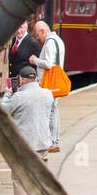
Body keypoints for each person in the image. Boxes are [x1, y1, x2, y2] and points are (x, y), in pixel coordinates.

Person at [1, 64, 55, 195]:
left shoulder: (18, 97)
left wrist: (7, 94)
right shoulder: (47, 94)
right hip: (43, 143)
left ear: (21, 80)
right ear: (36, 79)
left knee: (19, 177)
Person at [29, 20, 65, 152]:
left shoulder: (50, 43)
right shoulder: (58, 40)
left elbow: (49, 64)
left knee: (50, 113)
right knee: (53, 112)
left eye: (37, 35)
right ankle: (53, 141)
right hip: (55, 82)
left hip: (50, 84)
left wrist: (35, 60)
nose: (37, 39)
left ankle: (52, 142)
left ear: (43, 31)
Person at [7, 20, 40, 93]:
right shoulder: (13, 40)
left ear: (26, 27)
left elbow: (37, 66)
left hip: (25, 84)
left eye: (21, 28)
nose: (18, 31)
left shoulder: (32, 42)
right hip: (14, 82)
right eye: (16, 28)